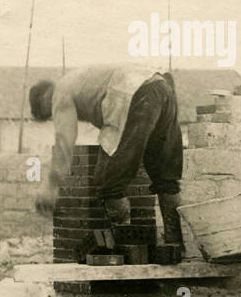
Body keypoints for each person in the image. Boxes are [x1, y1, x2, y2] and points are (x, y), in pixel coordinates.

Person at [29, 66, 183, 249]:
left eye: (48, 115)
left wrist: (51, 186)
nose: (52, 117)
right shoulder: (77, 81)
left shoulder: (59, 94)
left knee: (109, 181)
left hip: (134, 94)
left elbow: (64, 141)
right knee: (166, 176)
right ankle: (175, 244)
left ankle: (126, 247)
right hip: (161, 86)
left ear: (43, 99)